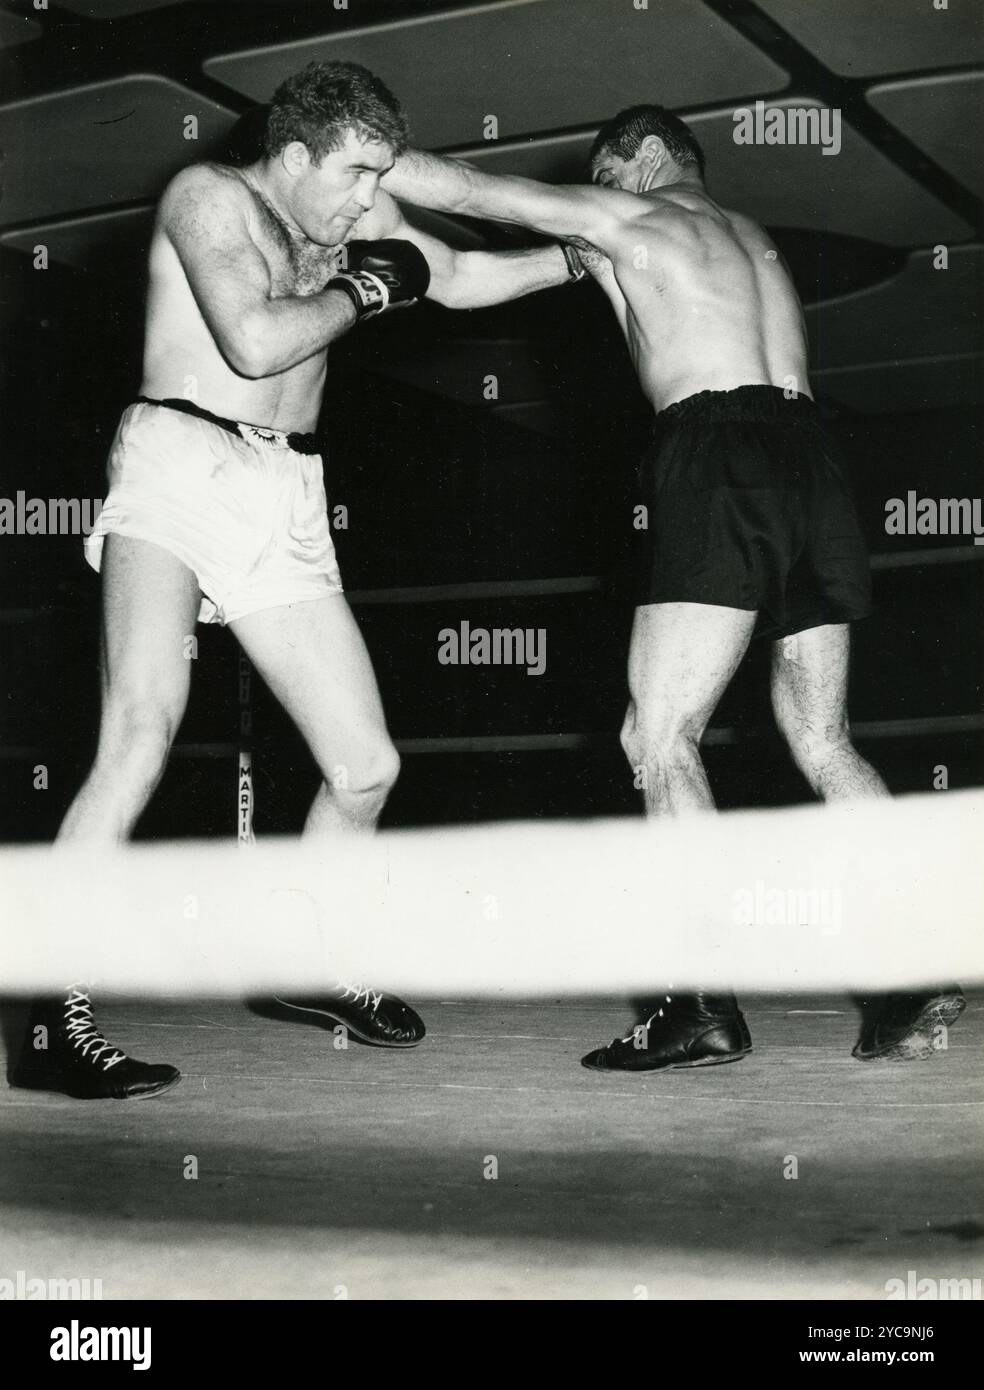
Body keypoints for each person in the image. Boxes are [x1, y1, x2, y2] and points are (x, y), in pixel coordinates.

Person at [11, 61, 583, 1101]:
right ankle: (51, 1012)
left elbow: (456, 277)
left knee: (364, 765)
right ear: (296, 153)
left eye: (382, 178)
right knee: (141, 728)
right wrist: (368, 286)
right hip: (178, 463)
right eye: (359, 174)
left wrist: (584, 259)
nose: (372, 197)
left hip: (286, 490)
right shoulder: (207, 197)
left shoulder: (352, 218)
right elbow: (253, 335)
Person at [382, 105, 965, 1071]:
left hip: (716, 451)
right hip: (812, 458)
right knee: (823, 739)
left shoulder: (634, 220)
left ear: (648, 156)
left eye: (607, 168)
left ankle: (698, 1003)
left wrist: (364, 155)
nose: (598, 189)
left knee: (658, 736)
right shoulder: (750, 239)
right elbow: (465, 280)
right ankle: (907, 975)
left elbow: (474, 193)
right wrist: (387, 238)